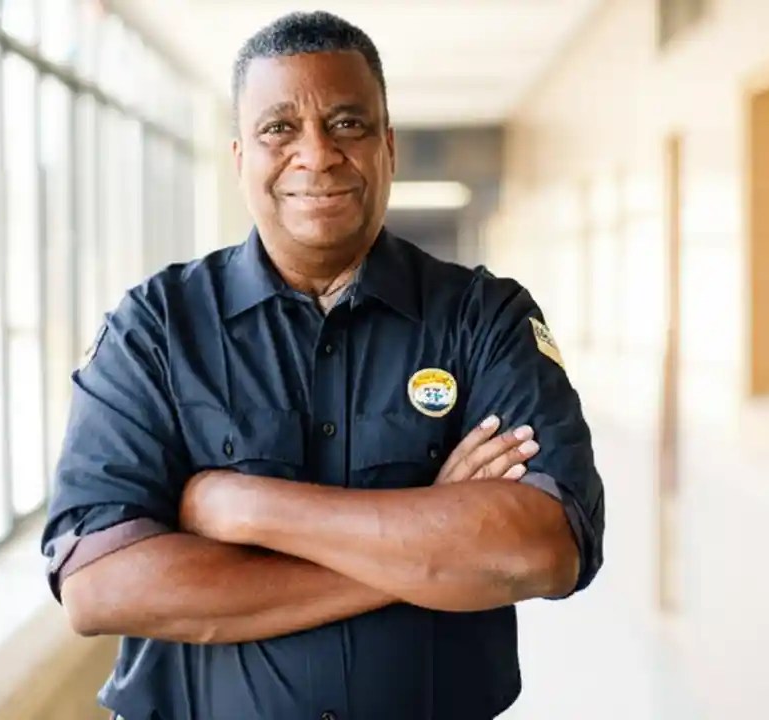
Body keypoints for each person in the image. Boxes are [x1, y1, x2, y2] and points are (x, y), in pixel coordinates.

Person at [42, 11, 604, 720]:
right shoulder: (155, 330)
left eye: (347, 124)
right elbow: (101, 587)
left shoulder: (482, 318)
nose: (317, 154)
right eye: (280, 128)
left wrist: (244, 507)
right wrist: (424, 546)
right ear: (241, 155)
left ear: (388, 147)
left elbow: (544, 549)